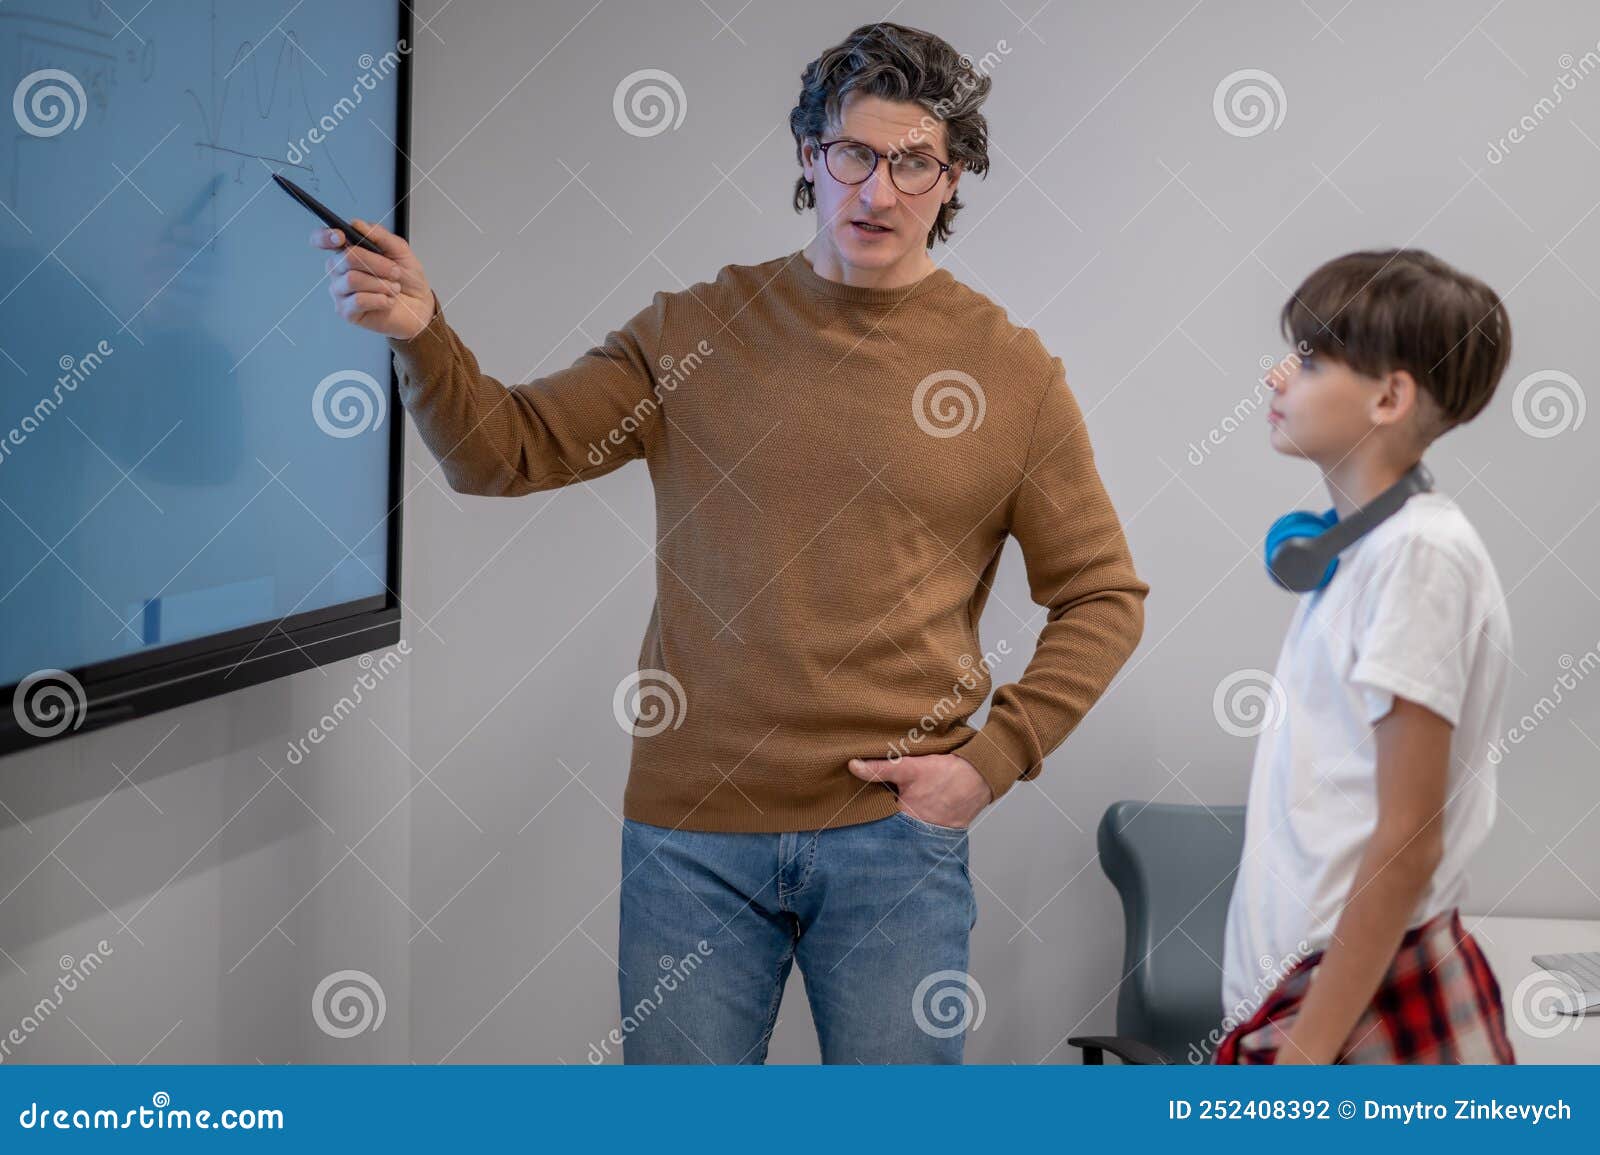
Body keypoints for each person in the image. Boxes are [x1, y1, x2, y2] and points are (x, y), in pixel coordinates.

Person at [312, 23, 1146, 1063]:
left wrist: (992, 759)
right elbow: (503, 453)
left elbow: (1103, 594)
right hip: (692, 836)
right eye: (851, 153)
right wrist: (422, 334)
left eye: (912, 162)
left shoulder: (1013, 373)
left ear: (954, 174)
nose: (876, 192)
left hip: (897, 842)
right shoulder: (692, 331)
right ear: (808, 154)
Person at [1214, 249, 1516, 1064]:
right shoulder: (1367, 553)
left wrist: (1306, 1055)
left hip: (1347, 1007)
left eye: (1310, 359)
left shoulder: (1419, 557)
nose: (1279, 375)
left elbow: (1408, 838)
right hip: (1309, 996)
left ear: (1389, 395)